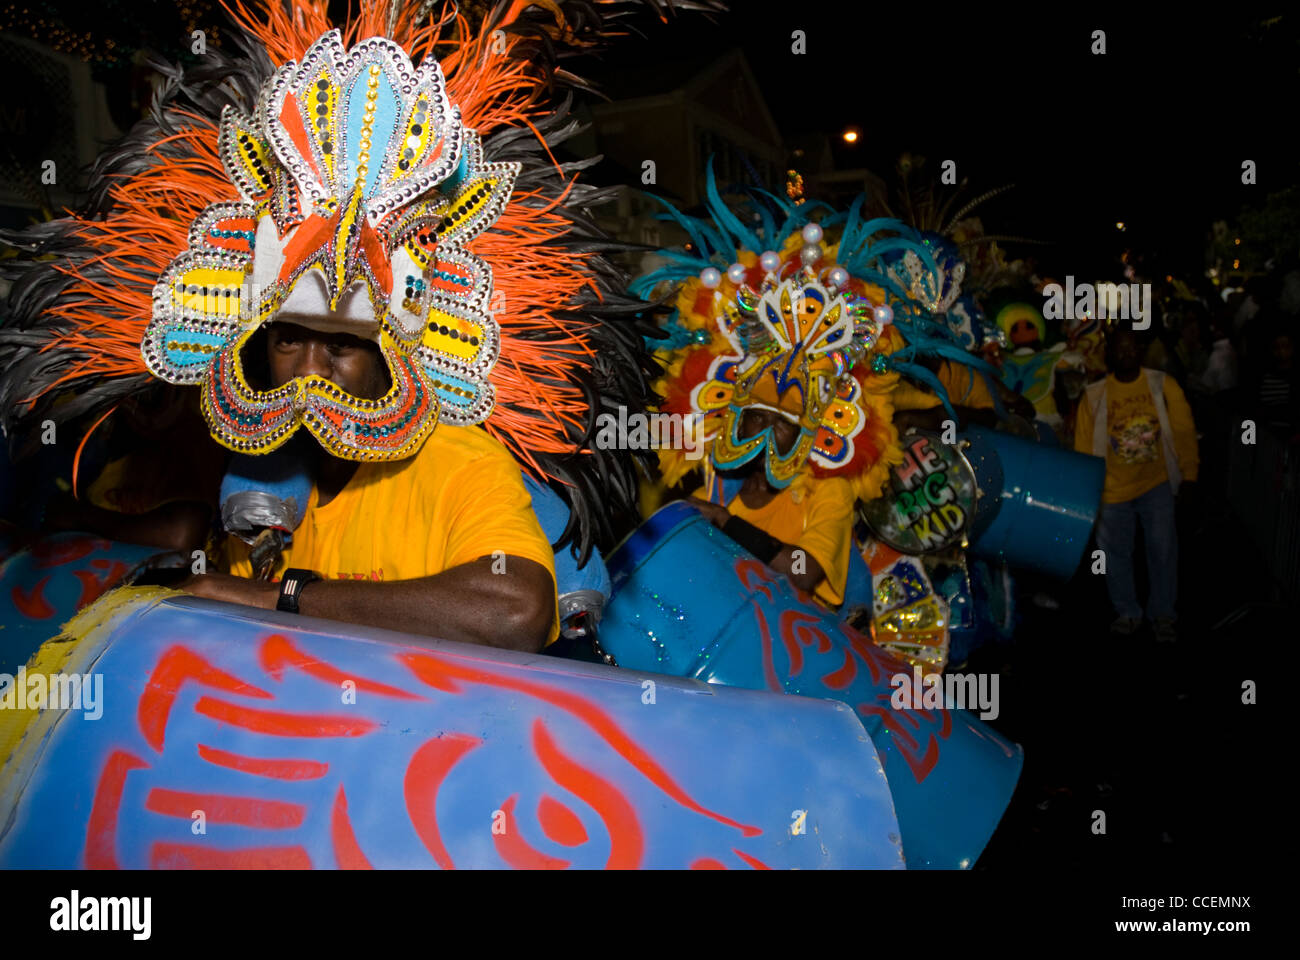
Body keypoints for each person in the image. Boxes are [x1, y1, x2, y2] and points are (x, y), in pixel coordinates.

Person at [0, 3, 671, 652]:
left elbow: (515, 608)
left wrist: (286, 598)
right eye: (291, 338)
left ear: (391, 347)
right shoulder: (259, 483)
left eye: (345, 344)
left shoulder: (457, 462)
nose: (311, 369)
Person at [1075, 324, 1199, 641]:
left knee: (1162, 550)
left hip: (1155, 483)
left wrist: (1189, 476)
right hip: (1111, 490)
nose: (1126, 353)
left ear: (1141, 351)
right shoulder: (1094, 396)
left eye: (1132, 347)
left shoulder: (1163, 386)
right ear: (1109, 354)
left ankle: (1163, 615)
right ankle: (1127, 612)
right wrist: (1087, 494)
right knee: (1116, 555)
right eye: (1120, 348)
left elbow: (1184, 432)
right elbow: (1084, 449)